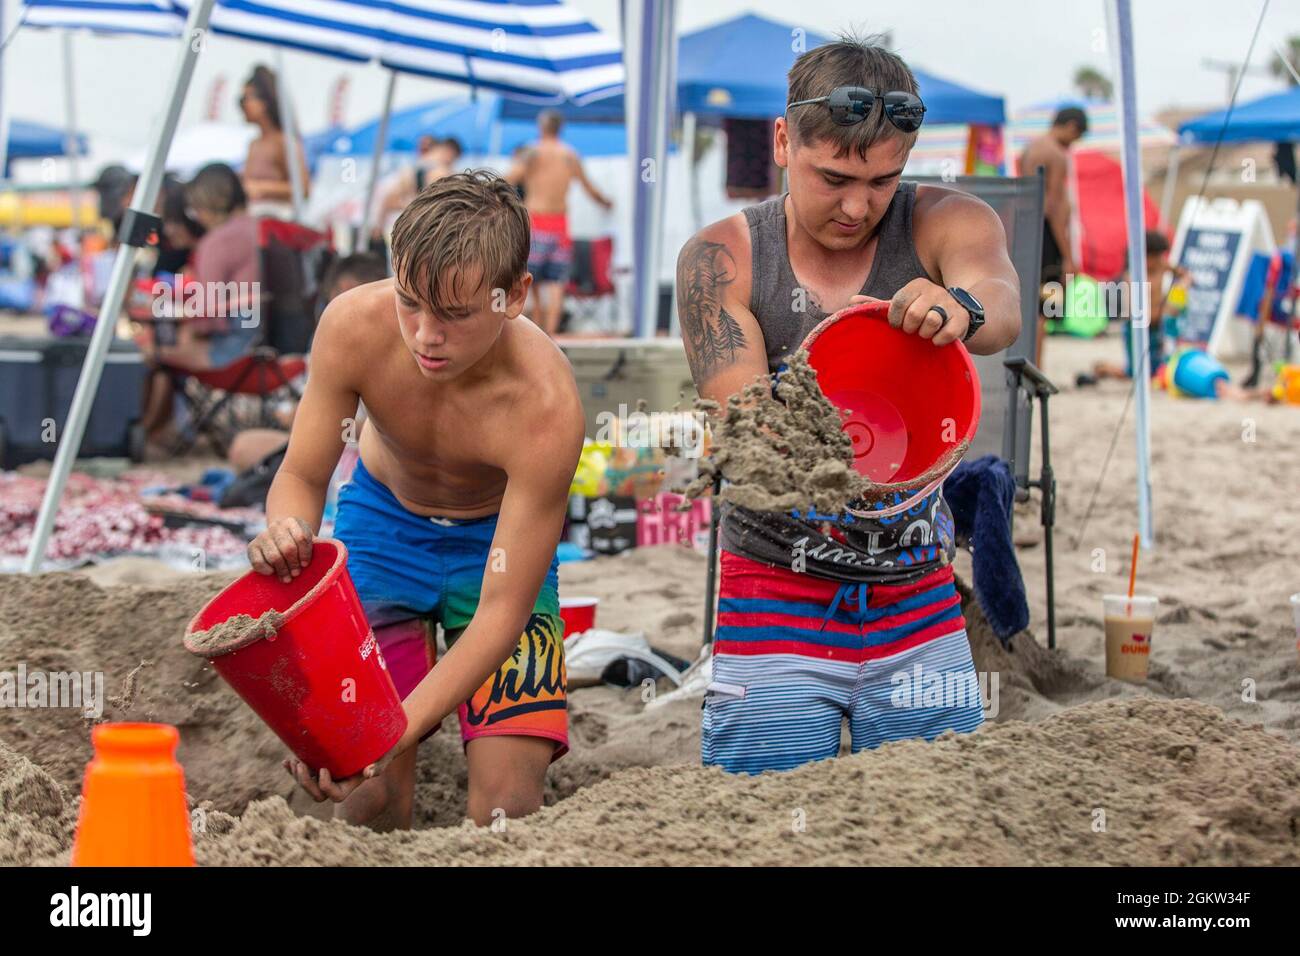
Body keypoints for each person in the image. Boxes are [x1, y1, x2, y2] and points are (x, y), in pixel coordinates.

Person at [676, 34, 1021, 776]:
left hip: (914, 587)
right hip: (775, 582)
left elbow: (1004, 304)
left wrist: (958, 305)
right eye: (833, 177)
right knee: (761, 811)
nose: (858, 206)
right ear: (781, 140)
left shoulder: (943, 219)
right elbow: (744, 413)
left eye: (882, 180)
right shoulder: (722, 257)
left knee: (937, 813)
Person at [246, 170, 584, 830]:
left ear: (514, 296)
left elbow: (502, 611)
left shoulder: (547, 404)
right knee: (367, 804)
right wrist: (287, 534)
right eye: (410, 302)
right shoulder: (353, 325)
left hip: (496, 546)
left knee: (506, 812)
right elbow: (303, 476)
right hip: (381, 524)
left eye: (455, 314)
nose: (426, 335)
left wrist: (394, 730)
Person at [226, 253, 390, 472]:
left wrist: (313, 422)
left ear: (345, 288)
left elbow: (371, 432)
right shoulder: (371, 337)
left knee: (245, 449)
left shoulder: (356, 340)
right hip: (350, 447)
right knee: (246, 445)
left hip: (356, 454)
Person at [136, 164, 260, 442]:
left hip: (233, 352)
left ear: (209, 201)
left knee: (149, 352)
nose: (196, 217)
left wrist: (179, 320)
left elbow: (207, 319)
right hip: (269, 347)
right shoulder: (259, 229)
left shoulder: (218, 241)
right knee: (167, 347)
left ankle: (147, 433)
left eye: (195, 209)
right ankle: (161, 430)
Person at [506, 109, 613, 336]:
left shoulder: (532, 153)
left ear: (541, 127)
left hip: (535, 221)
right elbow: (589, 187)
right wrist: (606, 202)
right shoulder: (569, 155)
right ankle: (551, 335)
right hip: (560, 223)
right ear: (560, 128)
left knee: (529, 279)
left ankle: (534, 330)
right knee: (556, 281)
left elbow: (508, 178)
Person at [1019, 106, 1086, 366]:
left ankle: (1030, 366)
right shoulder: (1056, 154)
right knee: (1045, 308)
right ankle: (1037, 368)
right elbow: (1055, 206)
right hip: (1048, 237)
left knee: (1032, 307)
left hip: (1029, 232)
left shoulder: (1031, 148)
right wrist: (1068, 256)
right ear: (1071, 127)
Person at [1079, 230, 1187, 386]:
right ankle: (1105, 369)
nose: (1159, 260)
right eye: (1155, 257)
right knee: (1136, 373)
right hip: (1136, 328)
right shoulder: (1133, 276)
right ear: (1145, 256)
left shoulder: (1163, 266)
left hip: (1158, 327)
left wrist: (1180, 289)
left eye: (1161, 256)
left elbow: (1186, 275)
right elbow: (1134, 310)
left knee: (1158, 369)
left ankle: (1111, 369)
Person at [239, 65, 310, 217]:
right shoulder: (254, 144)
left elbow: (303, 188)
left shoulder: (285, 142)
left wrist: (262, 188)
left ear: (265, 102)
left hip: (278, 222)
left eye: (246, 98)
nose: (242, 106)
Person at [370, 136, 463, 240]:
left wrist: (379, 225)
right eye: (454, 158)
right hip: (415, 224)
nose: (452, 161)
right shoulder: (441, 170)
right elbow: (391, 199)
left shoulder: (419, 165)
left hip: (405, 222)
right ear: (450, 152)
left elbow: (389, 199)